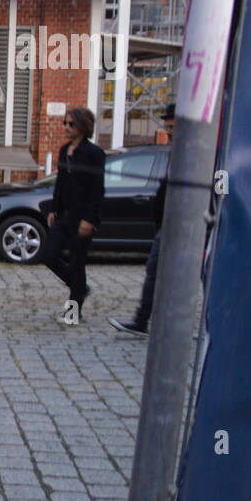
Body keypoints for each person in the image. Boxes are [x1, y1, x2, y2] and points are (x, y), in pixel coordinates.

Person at [111, 103, 174, 336]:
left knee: (202, 277)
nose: (169, 133)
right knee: (154, 272)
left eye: (172, 128)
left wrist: (220, 204)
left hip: (196, 225)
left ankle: (211, 326)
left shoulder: (208, 152)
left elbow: (223, 181)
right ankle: (141, 321)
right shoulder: (176, 151)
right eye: (167, 128)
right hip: (167, 224)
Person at [40, 106, 105, 325]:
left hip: (83, 216)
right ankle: (80, 287)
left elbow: (97, 189)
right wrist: (53, 209)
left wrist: (90, 219)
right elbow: (60, 183)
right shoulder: (64, 150)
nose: (66, 127)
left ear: (83, 126)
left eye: (71, 124)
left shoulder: (94, 154)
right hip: (64, 214)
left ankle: (74, 310)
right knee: (48, 254)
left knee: (78, 262)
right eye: (65, 123)